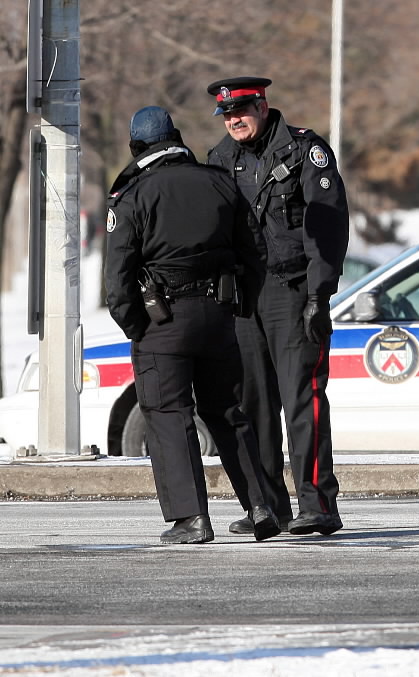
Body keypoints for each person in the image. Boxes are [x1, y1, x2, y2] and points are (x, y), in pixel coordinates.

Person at [105, 106, 280, 544]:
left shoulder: (133, 194)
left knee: (168, 415)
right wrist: (239, 308)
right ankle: (260, 507)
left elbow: (118, 276)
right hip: (218, 315)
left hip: (162, 321)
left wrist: (135, 326)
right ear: (176, 138)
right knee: (228, 413)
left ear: (137, 147)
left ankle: (191, 519)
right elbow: (255, 250)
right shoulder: (219, 182)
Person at [206, 76, 349, 536]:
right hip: (245, 298)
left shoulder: (305, 151)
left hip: (293, 292)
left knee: (301, 400)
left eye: (242, 110)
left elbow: (326, 228)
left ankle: (319, 504)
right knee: (254, 407)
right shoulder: (219, 160)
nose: (234, 119)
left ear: (263, 105)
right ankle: (268, 508)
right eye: (227, 114)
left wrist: (318, 294)